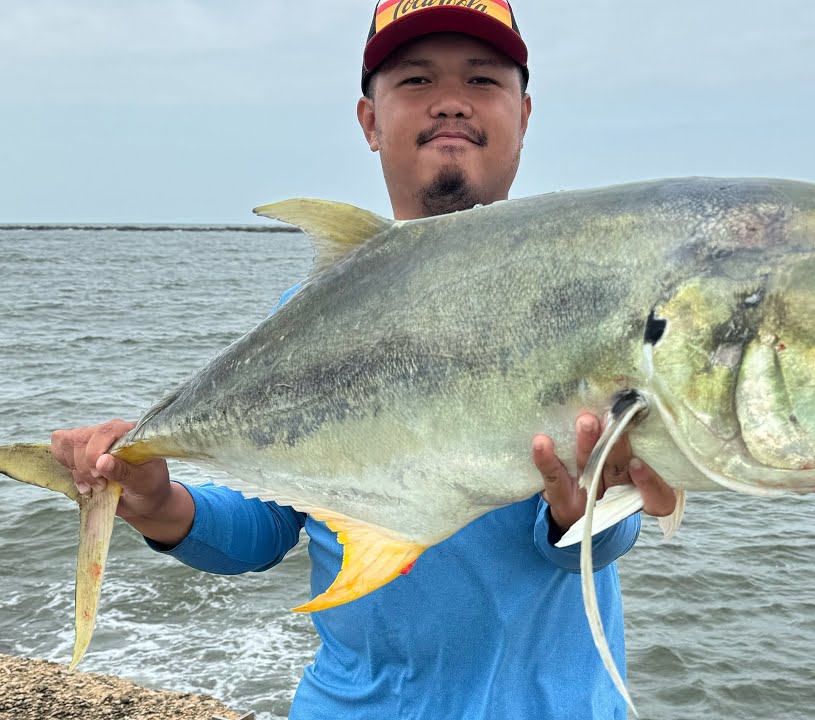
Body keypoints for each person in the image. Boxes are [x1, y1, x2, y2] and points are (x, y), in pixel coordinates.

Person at [51, 3, 676, 717]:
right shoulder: (308, 317)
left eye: (481, 79)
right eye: (414, 80)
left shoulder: (575, 297)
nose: (449, 101)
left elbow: (587, 539)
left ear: (524, 115)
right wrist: (158, 503)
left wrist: (588, 513)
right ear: (370, 121)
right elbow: (266, 530)